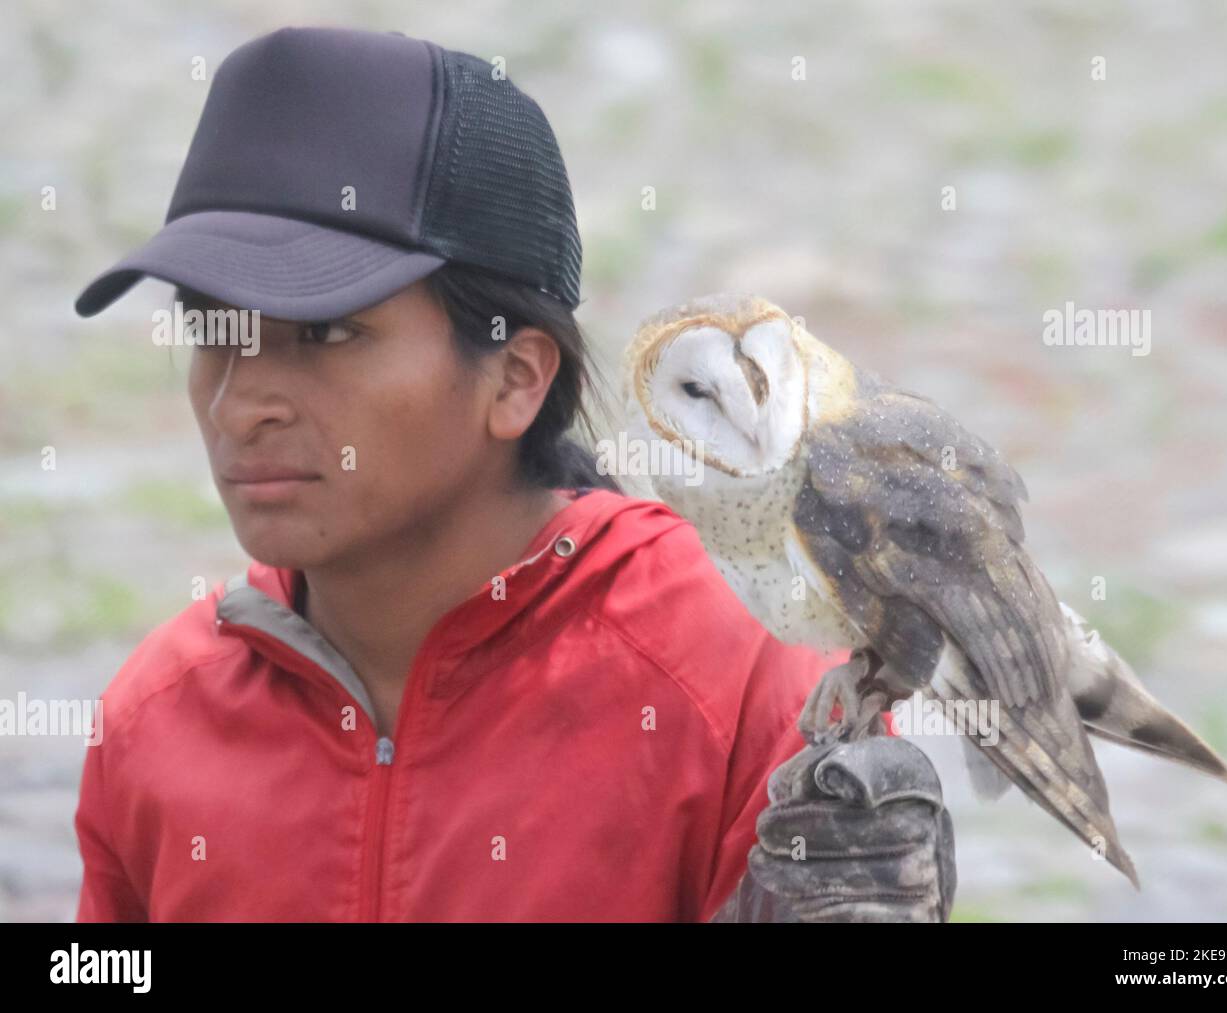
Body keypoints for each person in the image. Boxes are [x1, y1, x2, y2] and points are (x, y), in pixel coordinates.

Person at [71, 25, 955, 922]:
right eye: (214, 331)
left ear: (516, 376)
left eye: (325, 332)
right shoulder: (156, 719)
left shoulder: (739, 677)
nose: (238, 405)